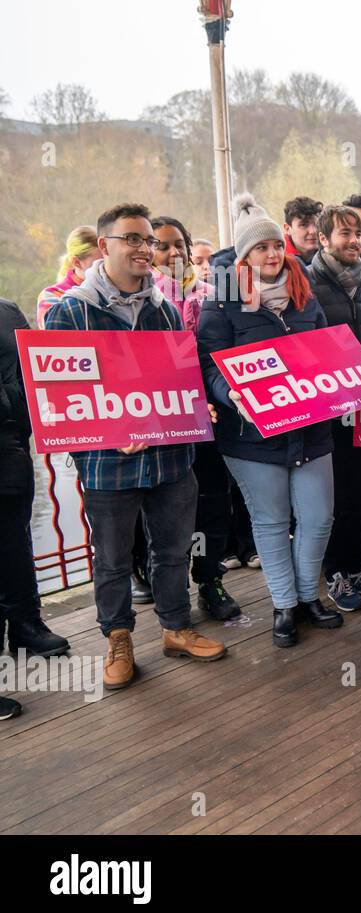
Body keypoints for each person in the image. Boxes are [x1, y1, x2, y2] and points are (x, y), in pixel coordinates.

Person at [45, 203, 227, 688]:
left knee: (172, 551)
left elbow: (179, 379)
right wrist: (108, 432)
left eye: (149, 240)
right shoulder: (71, 312)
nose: (146, 249)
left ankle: (175, 627)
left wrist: (195, 407)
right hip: (107, 465)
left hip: (171, 457)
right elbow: (60, 399)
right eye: (134, 239)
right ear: (104, 246)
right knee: (111, 557)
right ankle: (118, 639)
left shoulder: (166, 310)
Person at [197, 194, 342, 649]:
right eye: (261, 248)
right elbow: (208, 363)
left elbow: (325, 352)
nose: (272, 254)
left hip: (310, 428)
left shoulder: (304, 297)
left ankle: (307, 597)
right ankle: (284, 604)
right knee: (272, 520)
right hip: (251, 436)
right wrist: (229, 392)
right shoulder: (221, 304)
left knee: (318, 518)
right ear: (243, 256)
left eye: (276, 246)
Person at [150, 215, 241, 623]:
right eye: (163, 245)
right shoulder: (143, 301)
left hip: (211, 419)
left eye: (179, 245)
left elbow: (221, 355)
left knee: (212, 503)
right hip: (160, 423)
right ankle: (167, 593)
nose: (173, 253)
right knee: (163, 510)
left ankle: (209, 579)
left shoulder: (213, 295)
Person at [306, 204, 361, 613]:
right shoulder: (307, 282)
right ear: (323, 239)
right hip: (325, 408)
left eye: (358, 233)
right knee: (332, 496)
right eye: (344, 233)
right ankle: (334, 573)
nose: (354, 241)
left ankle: (357, 564)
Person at [1, 297, 70, 692]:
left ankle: (26, 625)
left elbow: (34, 369)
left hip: (12, 447)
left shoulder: (7, 310)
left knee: (16, 541)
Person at [36, 226, 102, 329]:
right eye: (98, 263)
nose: (105, 267)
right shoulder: (52, 295)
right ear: (77, 262)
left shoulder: (114, 292)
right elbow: (54, 335)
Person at [283, 196, 323, 268]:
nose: (313, 231)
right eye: (303, 225)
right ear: (287, 229)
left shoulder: (329, 255)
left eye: (317, 224)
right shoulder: (277, 261)